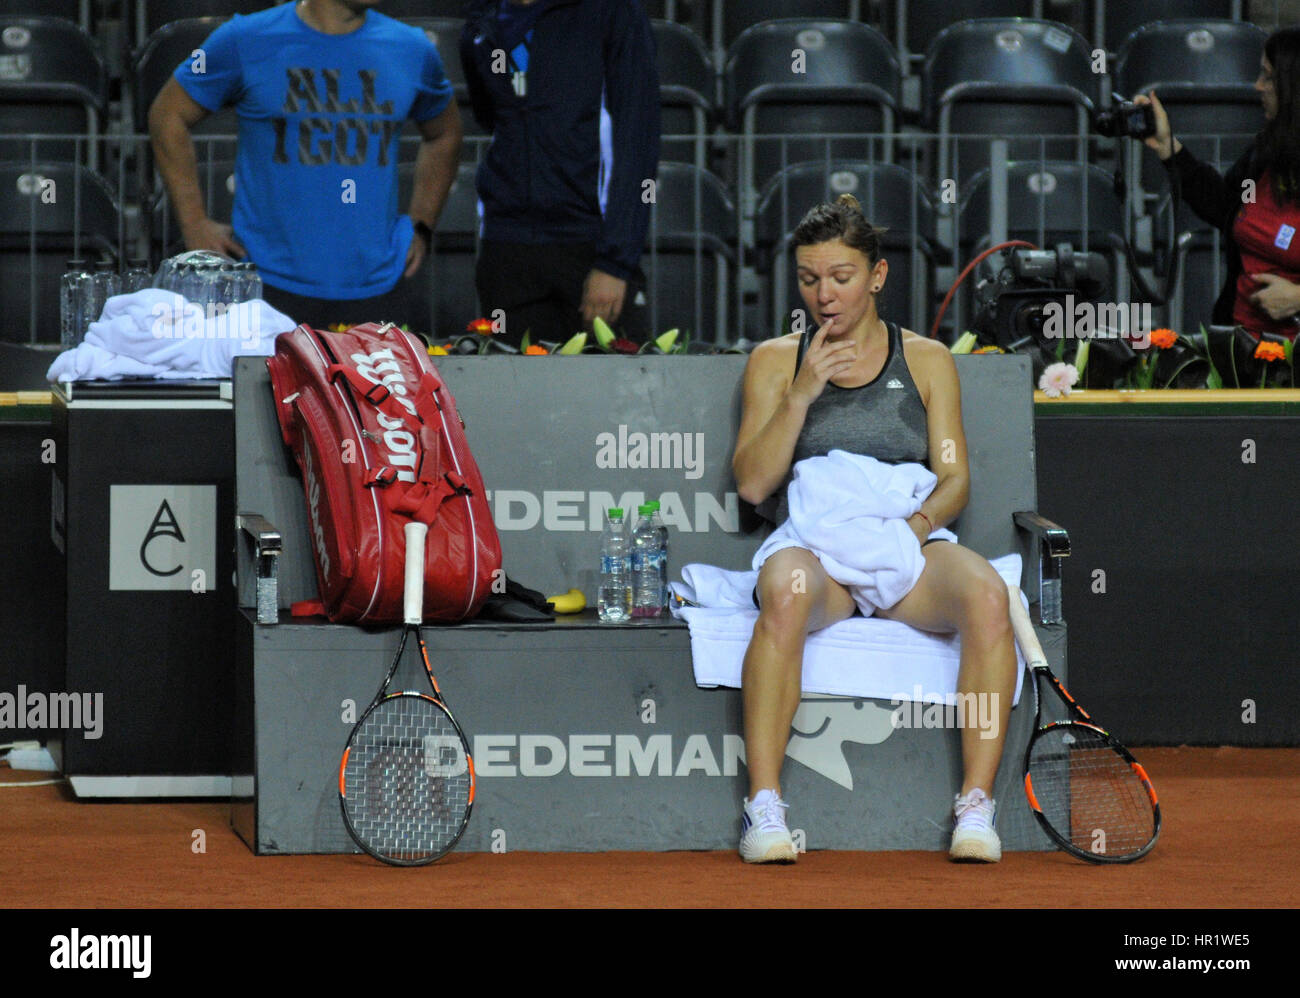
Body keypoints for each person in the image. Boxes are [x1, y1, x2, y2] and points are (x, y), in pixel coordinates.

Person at [731, 194, 1018, 864]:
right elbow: (752, 484)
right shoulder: (776, 362)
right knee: (785, 592)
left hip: (904, 545)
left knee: (985, 596)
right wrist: (802, 393)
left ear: (877, 276)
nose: (823, 295)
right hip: (818, 554)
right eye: (808, 279)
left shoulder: (925, 360)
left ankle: (975, 807)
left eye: (841, 277)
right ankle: (764, 808)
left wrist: (910, 530)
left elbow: (954, 480)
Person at [149, 0, 463, 330]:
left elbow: (445, 133)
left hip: (378, 287)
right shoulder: (244, 39)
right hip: (267, 288)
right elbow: (167, 115)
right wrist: (194, 224)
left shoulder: (413, 49)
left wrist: (422, 225)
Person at [459, 0, 660, 347]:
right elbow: (492, 117)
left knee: (608, 394)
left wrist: (616, 262)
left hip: (589, 244)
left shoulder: (612, 13)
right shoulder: (481, 20)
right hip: (506, 249)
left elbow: (637, 137)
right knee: (512, 393)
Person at [1137, 26, 1300, 340]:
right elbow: (1225, 205)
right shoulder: (1267, 156)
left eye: (1268, 77)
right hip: (1240, 348)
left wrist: (1297, 298)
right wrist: (1168, 147)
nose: (1257, 86)